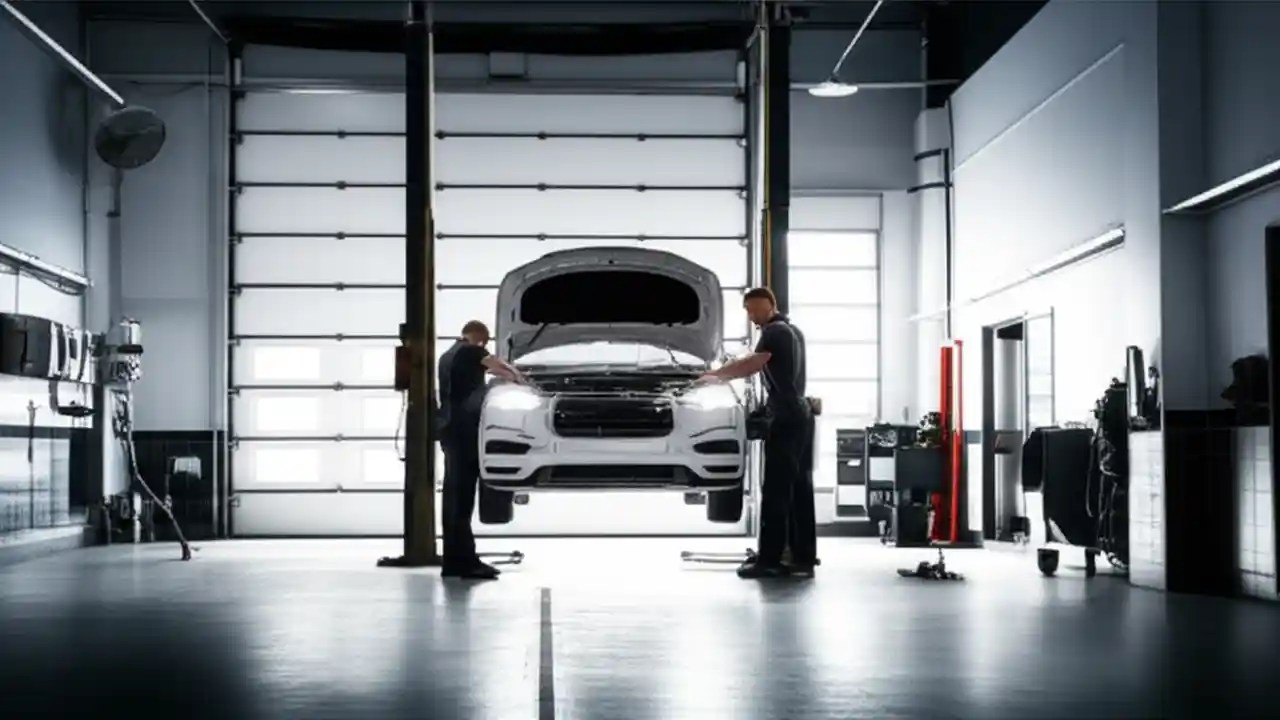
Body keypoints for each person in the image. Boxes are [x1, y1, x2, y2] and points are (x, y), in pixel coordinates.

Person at [698, 287, 815, 579]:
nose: (752, 315)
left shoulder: (774, 331)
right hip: (799, 415)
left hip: (786, 419)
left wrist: (716, 376)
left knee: (775, 490)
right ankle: (802, 557)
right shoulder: (792, 330)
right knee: (798, 489)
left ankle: (770, 561)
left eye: (756, 308)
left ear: (771, 305)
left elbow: (754, 363)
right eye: (748, 310)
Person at [437, 320, 525, 580]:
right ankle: (465, 563)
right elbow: (502, 369)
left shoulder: (446, 356)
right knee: (463, 499)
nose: (484, 345)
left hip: (449, 429)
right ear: (478, 337)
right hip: (466, 431)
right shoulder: (470, 351)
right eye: (484, 341)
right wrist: (520, 378)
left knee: (453, 497)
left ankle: (454, 561)